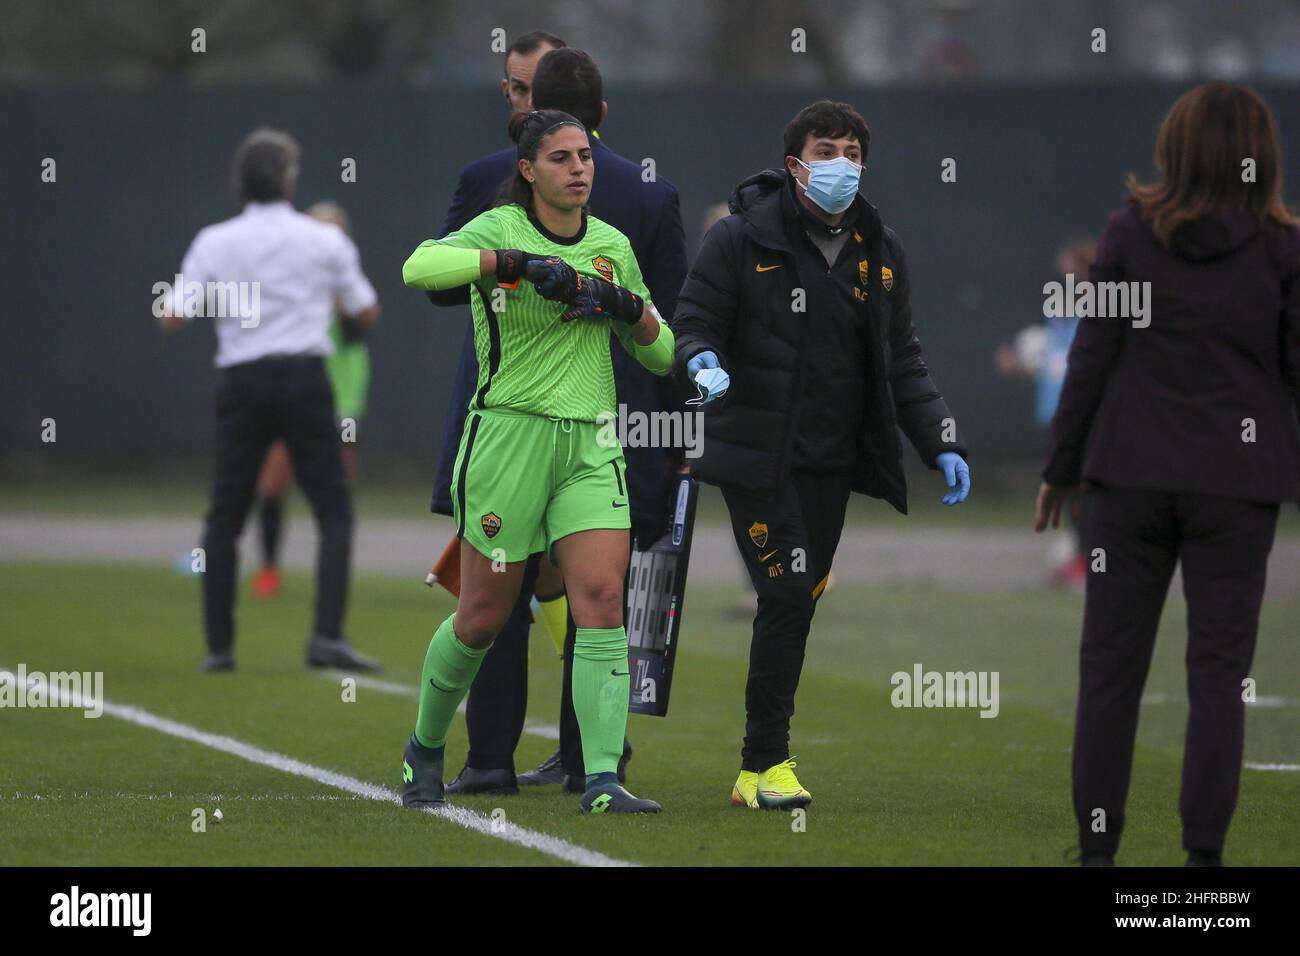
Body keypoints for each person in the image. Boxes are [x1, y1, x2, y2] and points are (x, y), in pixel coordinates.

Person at [672, 100, 971, 810]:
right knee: (784, 593)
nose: (841, 163)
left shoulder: (880, 250)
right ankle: (766, 765)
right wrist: (703, 362)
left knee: (796, 603)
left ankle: (757, 771)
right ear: (794, 163)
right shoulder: (739, 240)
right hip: (757, 456)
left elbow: (903, 360)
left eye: (852, 151)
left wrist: (941, 440)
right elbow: (693, 322)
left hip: (832, 461)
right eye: (826, 150)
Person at [1036, 81, 1300, 867]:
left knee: (1110, 675)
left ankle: (1097, 854)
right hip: (1238, 485)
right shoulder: (1284, 246)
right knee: (1219, 678)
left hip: (1131, 480)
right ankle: (1203, 860)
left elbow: (1094, 355)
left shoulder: (1131, 231)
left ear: (1174, 148)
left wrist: (1062, 465)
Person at [428, 45, 688, 796]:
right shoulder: (654, 191)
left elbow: (659, 326)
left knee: (526, 601)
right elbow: (674, 321)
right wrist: (677, 443)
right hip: (599, 426)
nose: (579, 172)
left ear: (525, 104)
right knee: (579, 600)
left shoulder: (484, 177)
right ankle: (582, 763)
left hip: (540, 422)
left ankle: (493, 761)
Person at [159, 128, 381, 673]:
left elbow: (172, 314)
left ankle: (219, 648)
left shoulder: (214, 240)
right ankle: (326, 637)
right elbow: (367, 309)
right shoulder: (323, 239)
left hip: (242, 382)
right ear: (289, 178)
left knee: (225, 515)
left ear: (240, 181)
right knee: (334, 510)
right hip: (305, 378)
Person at [251, 201, 373, 599]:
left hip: (341, 398)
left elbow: (360, 327)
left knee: (337, 491)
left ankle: (334, 574)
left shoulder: (347, 283)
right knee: (272, 481)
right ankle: (269, 568)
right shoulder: (286, 284)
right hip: (292, 395)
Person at [994, 237, 1096, 587]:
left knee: (1083, 490)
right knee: (1067, 490)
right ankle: (1083, 554)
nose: (1063, 279)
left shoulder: (1097, 316)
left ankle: (1089, 558)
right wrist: (1021, 361)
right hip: (1056, 417)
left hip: (1084, 418)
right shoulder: (1057, 317)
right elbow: (1051, 362)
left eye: (1071, 272)